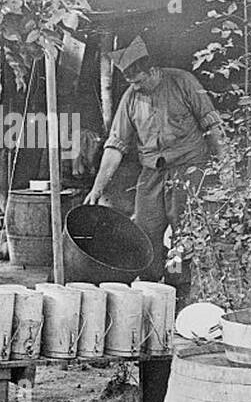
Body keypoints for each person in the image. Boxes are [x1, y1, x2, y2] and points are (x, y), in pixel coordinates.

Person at [83, 36, 230, 280]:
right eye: (131, 82)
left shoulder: (183, 82)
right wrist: (98, 188)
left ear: (152, 71)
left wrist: (226, 170)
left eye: (139, 81)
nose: (135, 87)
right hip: (152, 175)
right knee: (144, 232)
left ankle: (176, 287)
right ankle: (152, 284)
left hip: (189, 172)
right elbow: (115, 145)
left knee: (181, 237)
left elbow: (213, 127)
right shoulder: (130, 97)